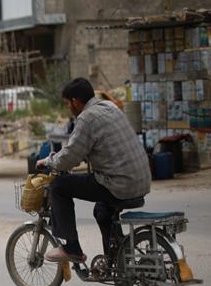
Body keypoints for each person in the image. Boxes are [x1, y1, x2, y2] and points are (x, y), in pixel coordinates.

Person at [36, 77, 151, 263]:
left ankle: (71, 248)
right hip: (140, 180)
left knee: (58, 186)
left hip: (119, 184)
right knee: (102, 211)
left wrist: (49, 161)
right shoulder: (110, 107)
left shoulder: (86, 118)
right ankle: (116, 259)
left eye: (67, 103)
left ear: (75, 101)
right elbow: (94, 146)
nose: (68, 108)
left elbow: (69, 157)